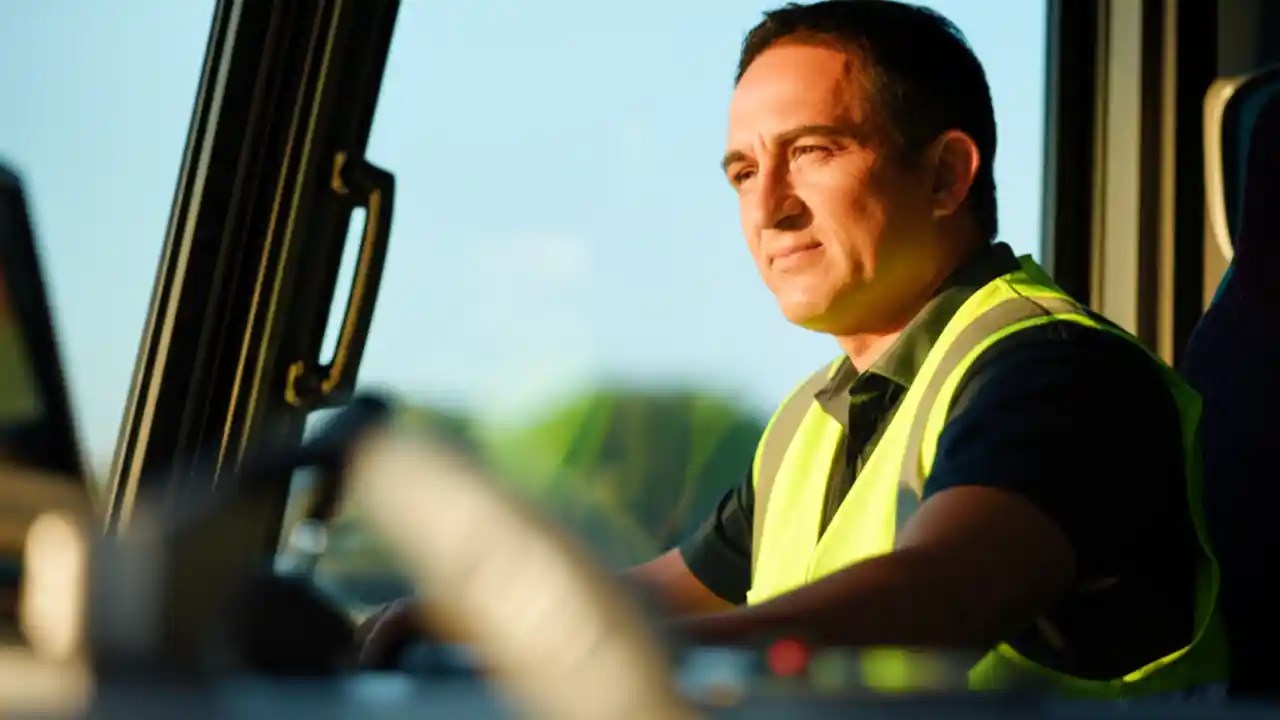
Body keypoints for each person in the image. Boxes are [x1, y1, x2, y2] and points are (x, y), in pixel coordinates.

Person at [360, 0, 1228, 696]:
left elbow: (943, 596)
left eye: (812, 152)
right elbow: (659, 593)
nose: (768, 207)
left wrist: (596, 663)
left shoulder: (1058, 374)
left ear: (945, 176)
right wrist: (460, 619)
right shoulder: (812, 419)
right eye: (743, 170)